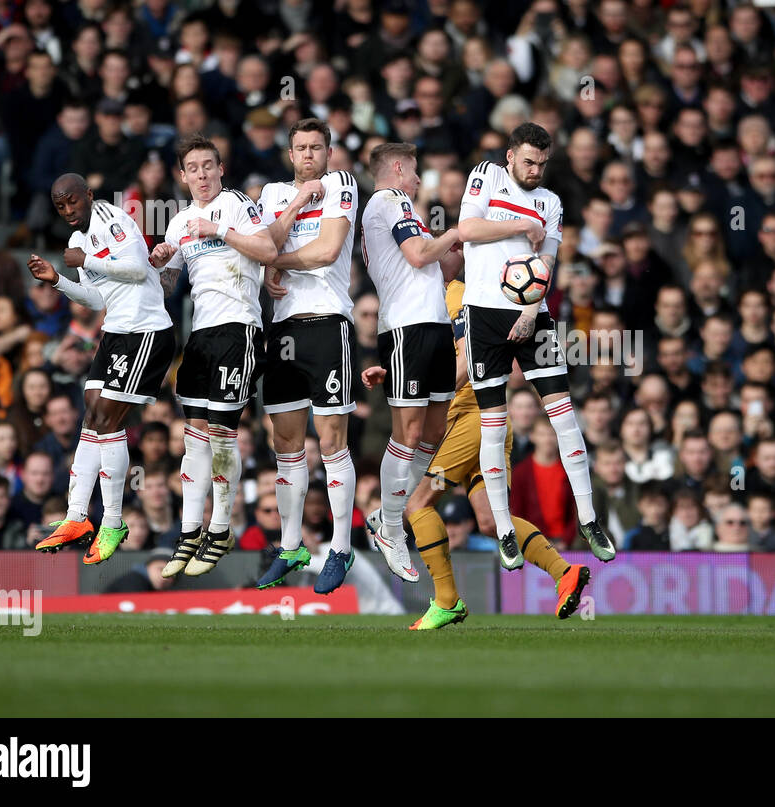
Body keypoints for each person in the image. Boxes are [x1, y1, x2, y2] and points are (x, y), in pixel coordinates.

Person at [369, 279, 596, 629]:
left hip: (472, 414)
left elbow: (470, 355)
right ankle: (564, 572)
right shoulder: (419, 300)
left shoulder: (456, 292)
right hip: (476, 420)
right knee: (491, 520)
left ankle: (447, 600)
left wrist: (432, 393)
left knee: (416, 503)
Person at [456, 122, 615, 567]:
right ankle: (505, 529)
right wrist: (522, 223)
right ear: (510, 156)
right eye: (528, 161)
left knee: (564, 416)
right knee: (494, 425)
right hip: (484, 313)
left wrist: (532, 308)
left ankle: (588, 517)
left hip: (534, 314)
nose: (535, 170)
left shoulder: (552, 202)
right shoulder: (485, 176)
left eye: (542, 163)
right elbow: (467, 229)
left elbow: (548, 259)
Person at [27, 173, 176, 565]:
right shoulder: (77, 241)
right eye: (60, 206)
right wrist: (58, 279)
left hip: (145, 330)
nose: (68, 210)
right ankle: (76, 516)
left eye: (73, 201)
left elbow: (138, 270)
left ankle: (112, 521)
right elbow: (96, 297)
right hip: (114, 332)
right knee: (91, 418)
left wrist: (87, 261)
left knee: (108, 422)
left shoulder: (113, 219)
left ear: (89, 196)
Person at [148, 134, 277, 578]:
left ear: (220, 169)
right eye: (193, 168)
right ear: (182, 176)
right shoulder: (179, 221)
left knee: (223, 433)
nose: (201, 175)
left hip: (238, 327)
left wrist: (219, 230)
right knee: (194, 435)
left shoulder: (238, 204)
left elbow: (268, 251)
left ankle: (220, 528)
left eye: (208, 166)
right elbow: (167, 285)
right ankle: (189, 531)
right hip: (200, 335)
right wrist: (161, 261)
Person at [251, 118, 360, 594]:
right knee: (286, 443)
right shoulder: (274, 194)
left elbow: (327, 251)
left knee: (332, 440)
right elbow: (259, 248)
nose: (310, 155)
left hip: (327, 322)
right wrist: (268, 260)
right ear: (290, 154)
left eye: (318, 147)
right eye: (301, 148)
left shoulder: (341, 184)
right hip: (283, 327)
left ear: (329, 152)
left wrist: (273, 260)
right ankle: (291, 544)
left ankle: (339, 547)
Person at [354, 142, 463, 586]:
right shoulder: (389, 199)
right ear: (398, 169)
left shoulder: (407, 213)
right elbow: (420, 255)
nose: (419, 182)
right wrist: (457, 232)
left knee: (434, 432)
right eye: (416, 173)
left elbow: (438, 268)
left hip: (434, 324)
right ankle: (392, 525)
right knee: (410, 432)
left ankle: (386, 516)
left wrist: (466, 247)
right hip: (406, 329)